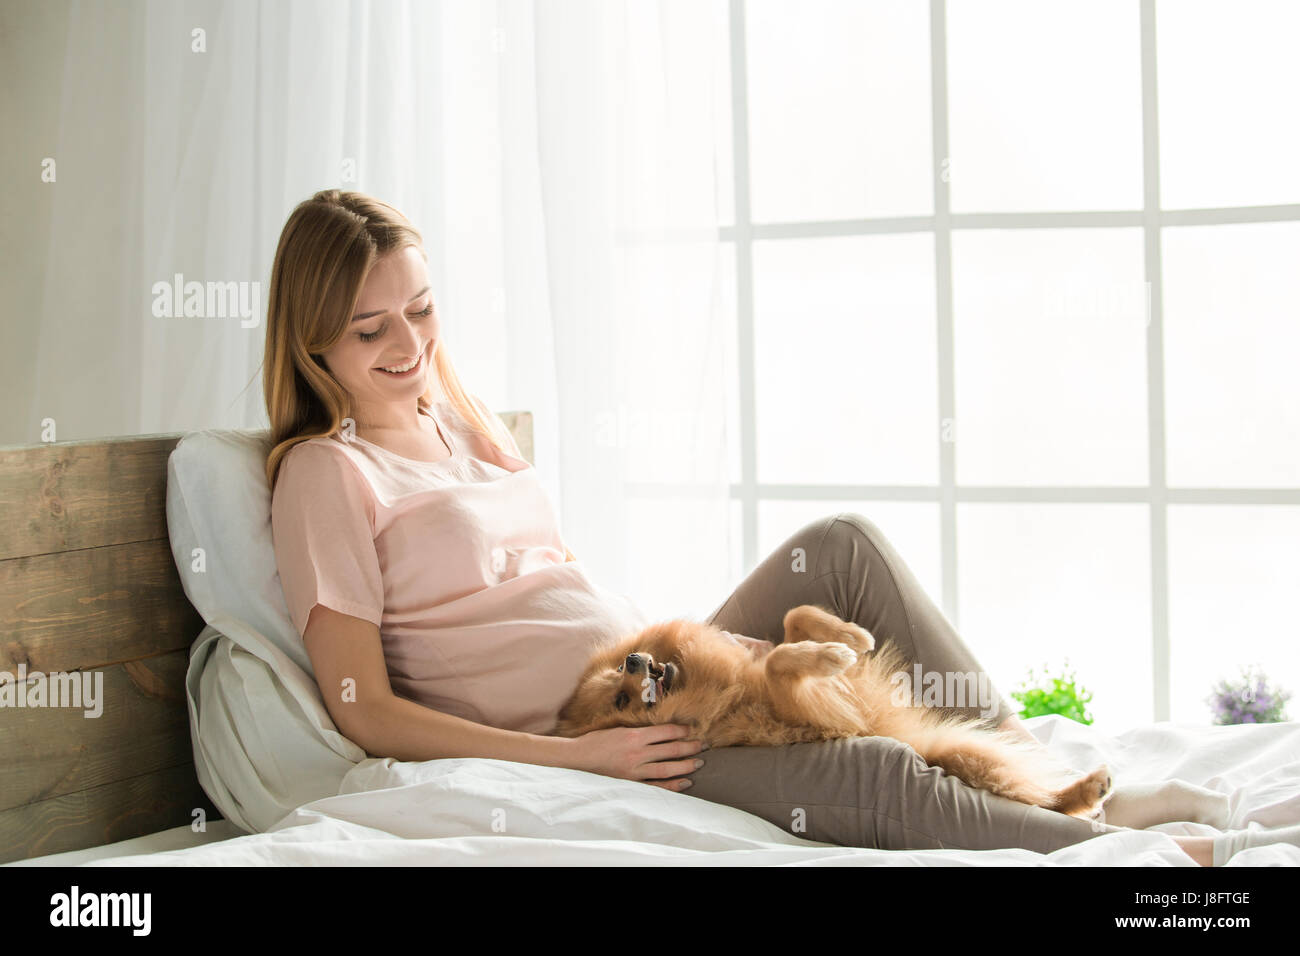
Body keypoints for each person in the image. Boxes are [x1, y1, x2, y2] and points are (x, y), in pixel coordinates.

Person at [263, 189, 1287, 867]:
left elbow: (561, 595)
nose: (412, 342)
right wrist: (580, 763)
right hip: (588, 725)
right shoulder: (326, 471)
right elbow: (365, 708)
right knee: (871, 770)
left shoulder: (466, 423)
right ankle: (1099, 856)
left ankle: (1054, 783)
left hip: (651, 664)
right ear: (313, 340)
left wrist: (723, 654)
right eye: (372, 327)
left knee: (840, 546)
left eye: (423, 309)